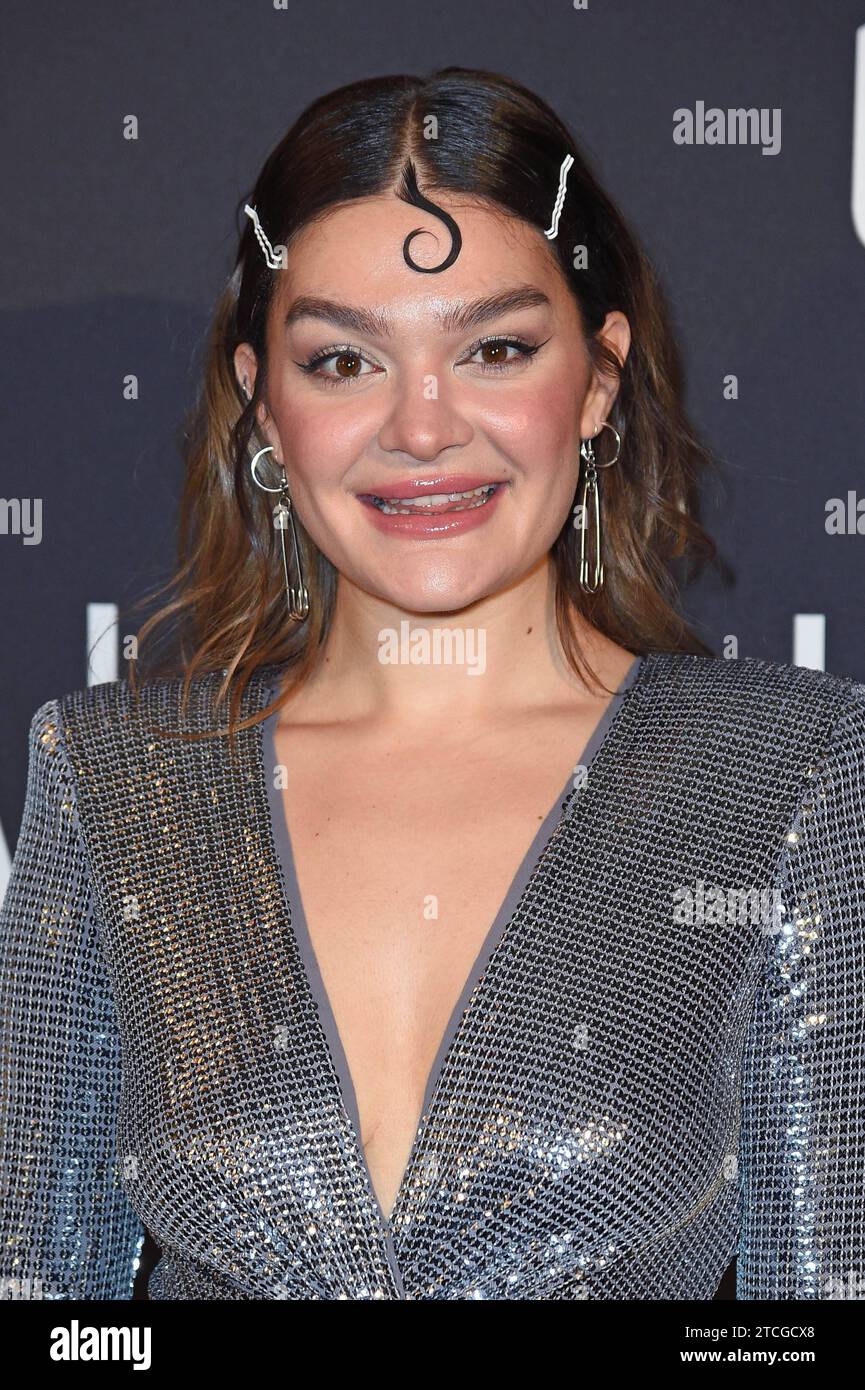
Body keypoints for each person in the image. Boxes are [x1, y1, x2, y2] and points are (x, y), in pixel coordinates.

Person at [1, 67, 863, 1302]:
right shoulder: (119, 778)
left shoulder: (782, 768)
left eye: (495, 348)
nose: (421, 427)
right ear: (262, 403)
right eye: (344, 362)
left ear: (599, 379)